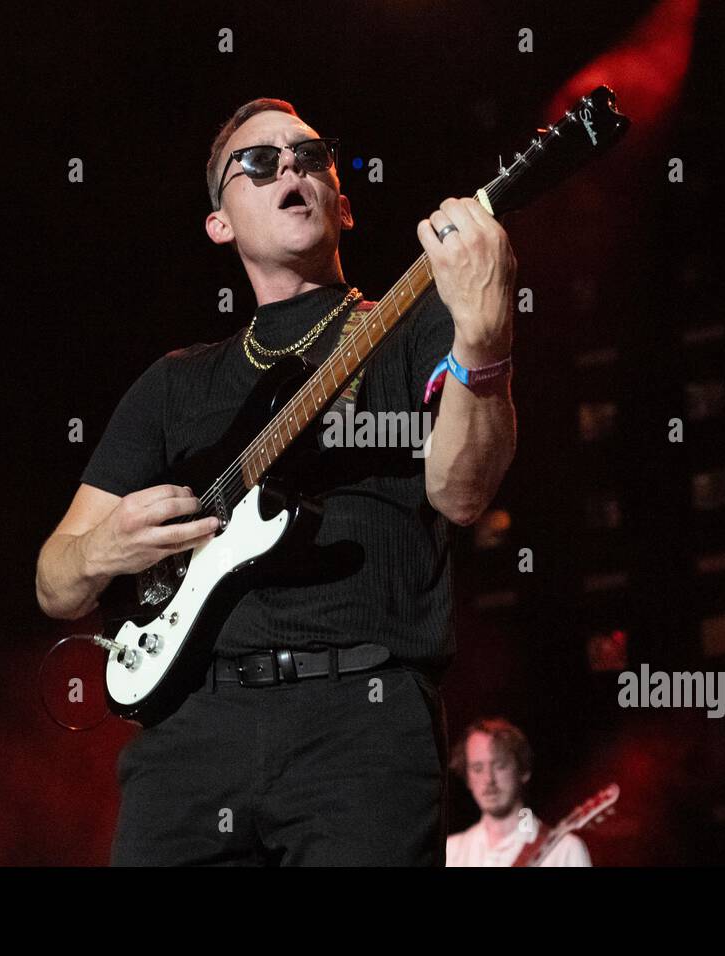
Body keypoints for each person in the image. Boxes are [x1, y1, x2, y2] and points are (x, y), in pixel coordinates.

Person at [34, 97, 517, 865]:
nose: (291, 166)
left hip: (361, 722)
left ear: (343, 205)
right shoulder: (174, 384)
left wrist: (484, 340)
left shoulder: (414, 322)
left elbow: (462, 493)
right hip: (190, 734)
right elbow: (55, 583)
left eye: (312, 154)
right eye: (258, 163)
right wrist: (105, 548)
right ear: (219, 222)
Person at [447, 718, 592, 867]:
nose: (488, 779)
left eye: (500, 765)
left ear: (523, 770)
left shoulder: (564, 851)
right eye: (478, 768)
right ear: (467, 777)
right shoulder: (451, 852)